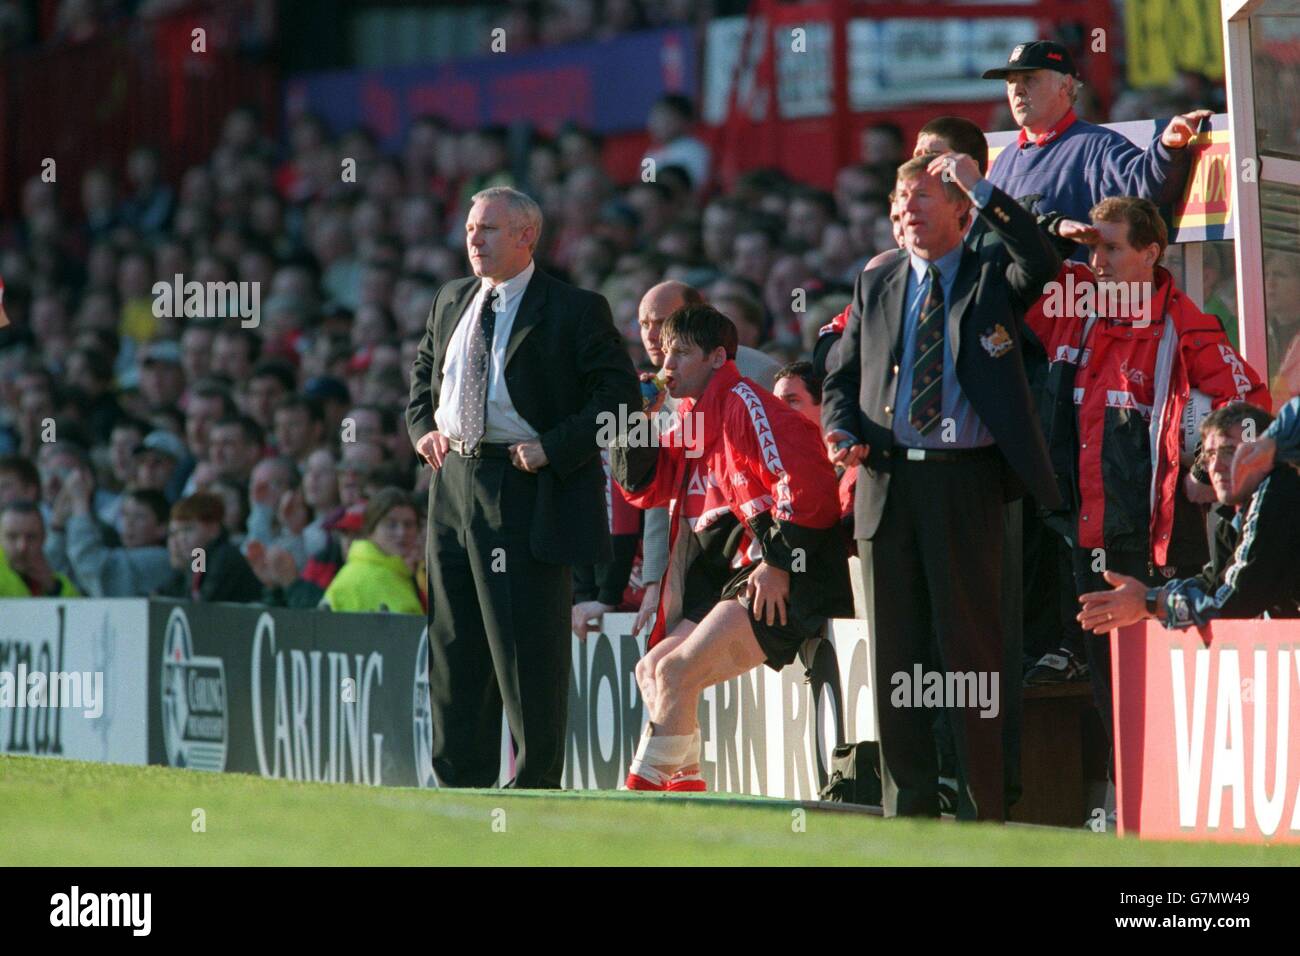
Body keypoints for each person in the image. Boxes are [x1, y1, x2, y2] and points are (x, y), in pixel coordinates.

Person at [821, 151, 1062, 821]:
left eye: (923, 198)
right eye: (899, 200)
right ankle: (912, 806)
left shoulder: (992, 276)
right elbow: (841, 377)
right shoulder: (877, 282)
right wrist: (839, 431)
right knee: (897, 654)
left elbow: (1041, 259)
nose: (906, 211)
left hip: (968, 487)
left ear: (961, 208)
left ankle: (987, 808)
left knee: (972, 653)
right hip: (887, 486)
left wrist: (986, 186)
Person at [406, 185, 639, 789]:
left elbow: (618, 399)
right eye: (469, 230)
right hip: (451, 480)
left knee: (524, 645)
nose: (473, 242)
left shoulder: (574, 307)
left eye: (487, 230)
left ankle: (535, 783)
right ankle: (460, 779)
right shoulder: (451, 297)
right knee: (455, 639)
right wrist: (421, 428)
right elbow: (424, 371)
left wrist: (554, 446)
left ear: (526, 236)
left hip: (523, 481)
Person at [1024, 197, 1268, 737]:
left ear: (1150, 252)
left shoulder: (1187, 326)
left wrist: (1206, 473)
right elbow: (1007, 258)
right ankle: (1122, 806)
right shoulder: (1073, 309)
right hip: (1086, 536)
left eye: (1111, 248)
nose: (1098, 261)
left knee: (1170, 696)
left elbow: (1252, 410)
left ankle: (1178, 813)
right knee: (1112, 698)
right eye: (1092, 248)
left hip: (1160, 542)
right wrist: (1048, 226)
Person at [610, 304, 851, 791]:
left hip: (802, 568)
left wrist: (780, 564)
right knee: (653, 669)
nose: (667, 366)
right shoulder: (700, 413)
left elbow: (807, 485)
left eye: (682, 353)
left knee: (676, 671)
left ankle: (642, 790)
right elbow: (647, 487)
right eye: (665, 355)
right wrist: (634, 421)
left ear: (719, 357)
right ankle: (685, 782)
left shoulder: (746, 401)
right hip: (766, 564)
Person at [581, 279, 783, 640]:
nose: (653, 334)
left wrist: (778, 557)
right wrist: (656, 582)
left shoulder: (759, 372)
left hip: (755, 546)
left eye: (663, 321)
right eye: (644, 324)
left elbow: (784, 471)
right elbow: (660, 497)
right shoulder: (656, 390)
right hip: (699, 550)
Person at [1079, 403, 1300, 631]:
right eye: (1210, 455)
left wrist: (1151, 602)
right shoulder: (1234, 516)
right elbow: (1213, 584)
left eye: (1229, 451)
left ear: (1264, 455)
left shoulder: (1278, 492)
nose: (1216, 466)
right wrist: (1149, 600)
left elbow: (1232, 602)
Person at [983, 40, 1210, 231]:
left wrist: (1168, 147)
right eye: (1011, 82)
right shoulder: (1004, 160)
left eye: (1029, 79)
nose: (1017, 90)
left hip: (1073, 285)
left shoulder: (1097, 147)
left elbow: (1146, 187)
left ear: (1065, 85)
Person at [320, 487, 424, 613]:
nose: (401, 533)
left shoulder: (403, 574)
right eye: (391, 525)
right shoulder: (361, 576)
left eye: (408, 524)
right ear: (370, 530)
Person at [156, 492, 263, 603]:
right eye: (176, 533)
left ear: (213, 529)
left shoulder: (224, 557)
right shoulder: (199, 557)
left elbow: (204, 604)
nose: (180, 539)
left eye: (188, 529)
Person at [0, 501, 80, 597]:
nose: (22, 546)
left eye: (31, 537)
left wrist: (52, 587)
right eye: (12, 537)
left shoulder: (57, 582)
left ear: (44, 538)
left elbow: (74, 608)